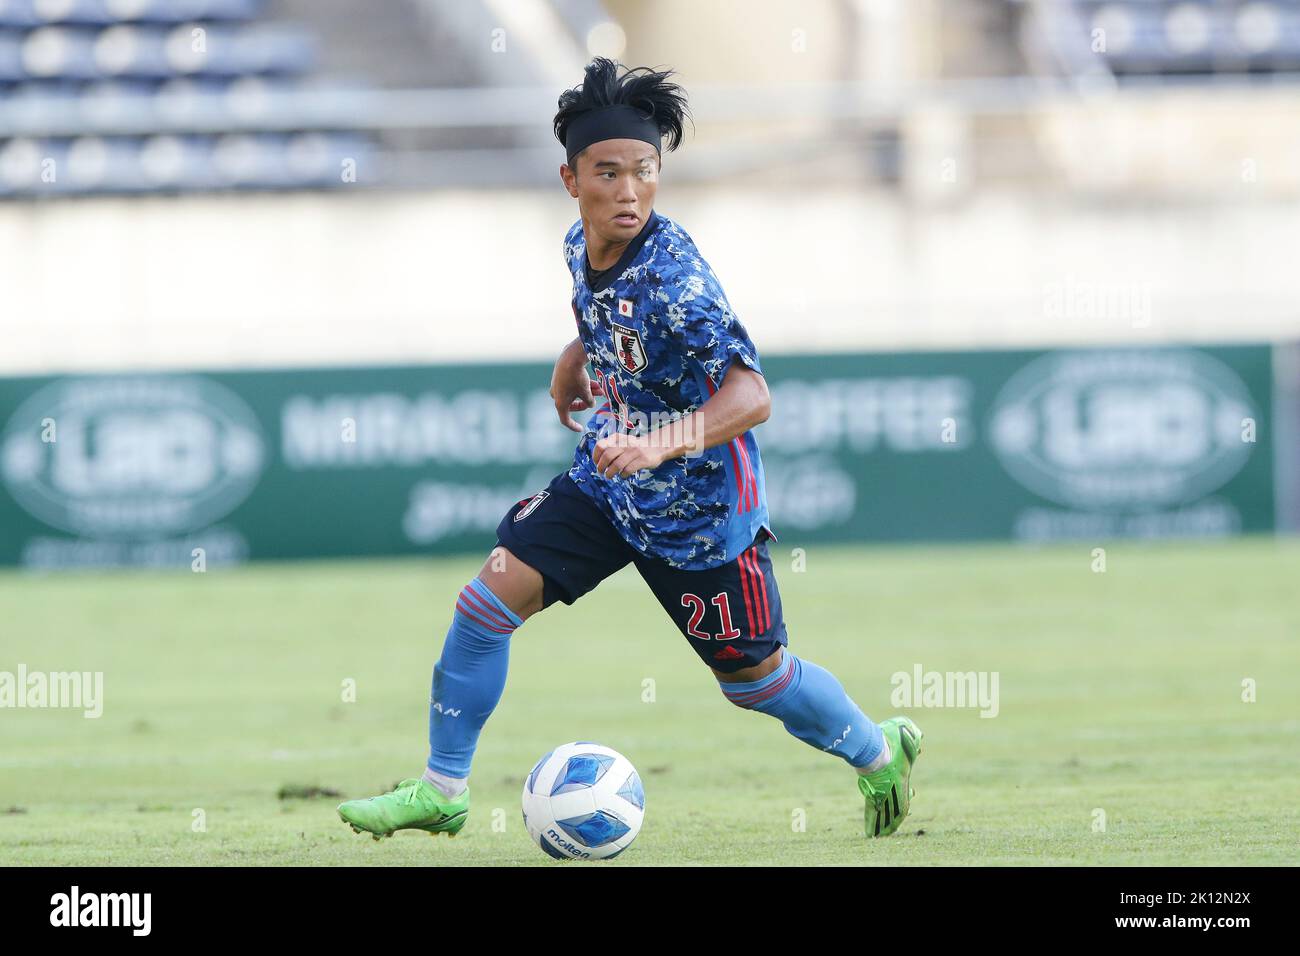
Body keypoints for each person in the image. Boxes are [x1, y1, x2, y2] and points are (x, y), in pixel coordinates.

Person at [337, 57, 923, 844]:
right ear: (570, 178)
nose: (629, 191)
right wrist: (574, 358)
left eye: (644, 172)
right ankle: (443, 790)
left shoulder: (679, 280)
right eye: (608, 173)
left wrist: (657, 445)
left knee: (755, 683)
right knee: (485, 606)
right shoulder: (581, 246)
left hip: (699, 518)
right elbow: (602, 312)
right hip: (609, 488)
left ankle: (879, 751)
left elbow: (753, 398)